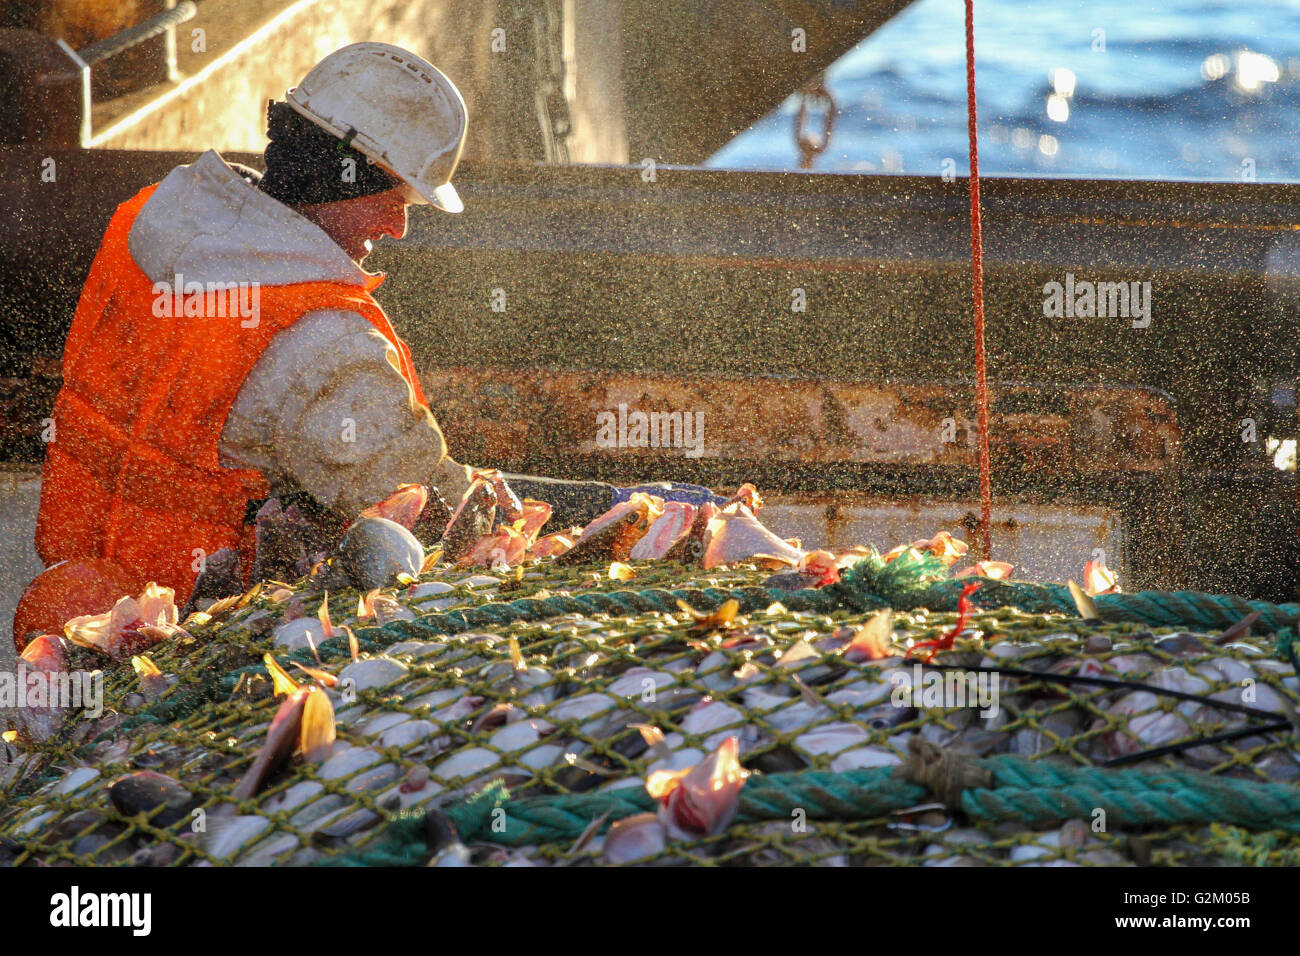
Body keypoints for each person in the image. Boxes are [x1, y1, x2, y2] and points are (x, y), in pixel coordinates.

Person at [20, 41, 722, 633]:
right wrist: (638, 503)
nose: (399, 228)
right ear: (342, 174)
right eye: (395, 200)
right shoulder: (323, 348)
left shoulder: (154, 218)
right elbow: (444, 510)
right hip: (192, 624)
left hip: (87, 573)